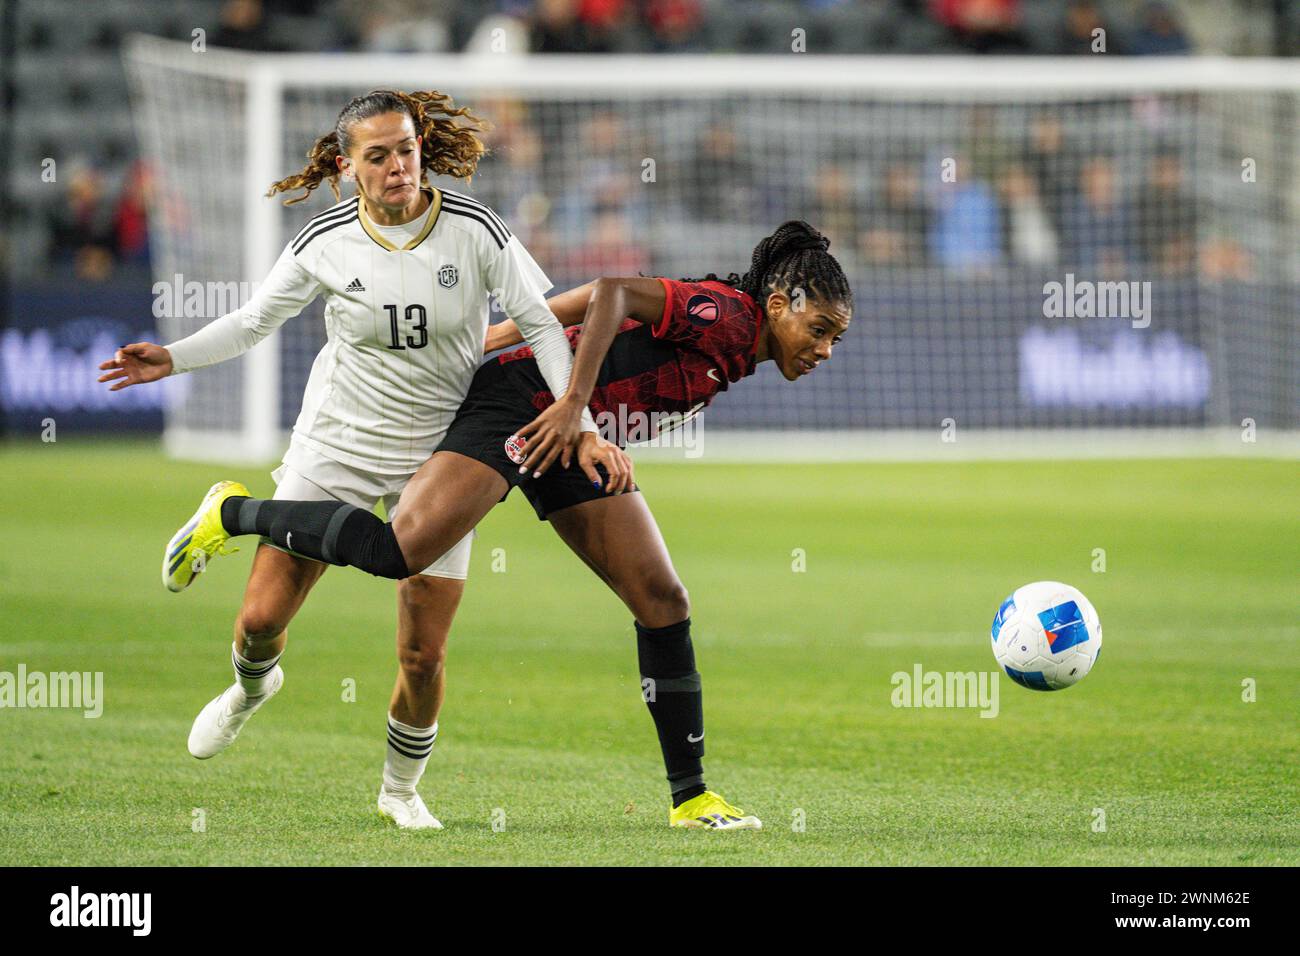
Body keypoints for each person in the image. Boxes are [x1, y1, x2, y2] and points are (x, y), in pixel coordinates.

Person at [165, 221, 853, 829]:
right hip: (524, 407)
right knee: (401, 550)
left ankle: (693, 798)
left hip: (570, 440)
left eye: (835, 337)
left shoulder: (736, 350)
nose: (824, 350)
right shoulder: (728, 318)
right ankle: (233, 513)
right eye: (818, 329)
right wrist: (573, 404)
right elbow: (613, 291)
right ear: (775, 305)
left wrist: (527, 352)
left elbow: (593, 311)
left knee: (663, 600)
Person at [97, 89, 617, 830]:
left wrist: (583, 419)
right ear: (348, 167)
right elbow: (252, 323)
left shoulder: (476, 229)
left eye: (406, 148)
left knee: (423, 654)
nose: (399, 166)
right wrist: (171, 360)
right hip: (336, 441)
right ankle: (251, 688)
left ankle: (400, 791)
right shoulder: (325, 240)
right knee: (258, 619)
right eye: (379, 155)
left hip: (441, 456)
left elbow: (540, 326)